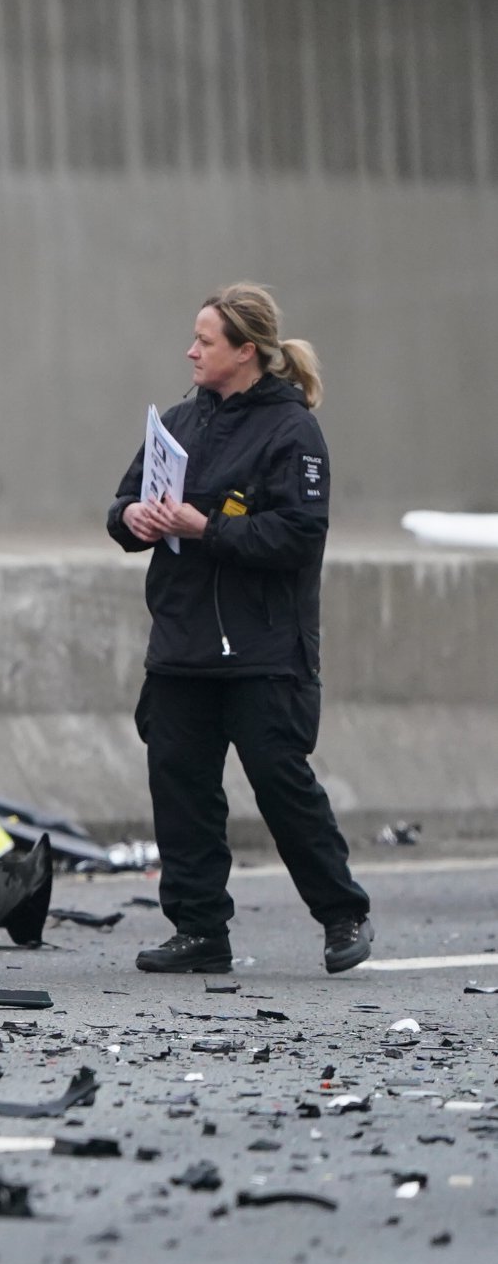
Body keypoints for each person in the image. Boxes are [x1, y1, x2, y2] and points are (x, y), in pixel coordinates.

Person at [108, 285, 371, 975]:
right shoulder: (179, 422)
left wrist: (206, 527)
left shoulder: (292, 431)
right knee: (180, 785)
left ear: (245, 352)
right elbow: (124, 501)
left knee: (282, 783)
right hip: (181, 641)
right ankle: (199, 929)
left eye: (205, 340)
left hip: (261, 647)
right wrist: (131, 520)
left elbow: (298, 535)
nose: (190, 351)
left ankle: (343, 912)